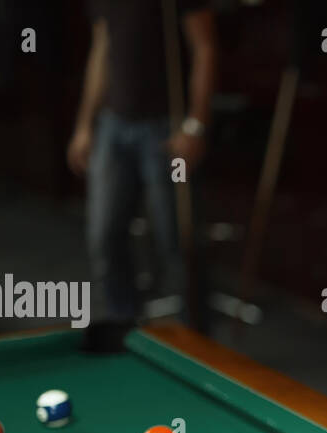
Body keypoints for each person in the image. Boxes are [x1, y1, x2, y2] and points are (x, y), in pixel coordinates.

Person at [67, 0, 216, 351]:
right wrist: (85, 124)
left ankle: (198, 345)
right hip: (113, 126)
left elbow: (205, 46)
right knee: (104, 236)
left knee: (177, 242)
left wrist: (196, 125)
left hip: (164, 129)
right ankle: (126, 332)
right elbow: (102, 48)